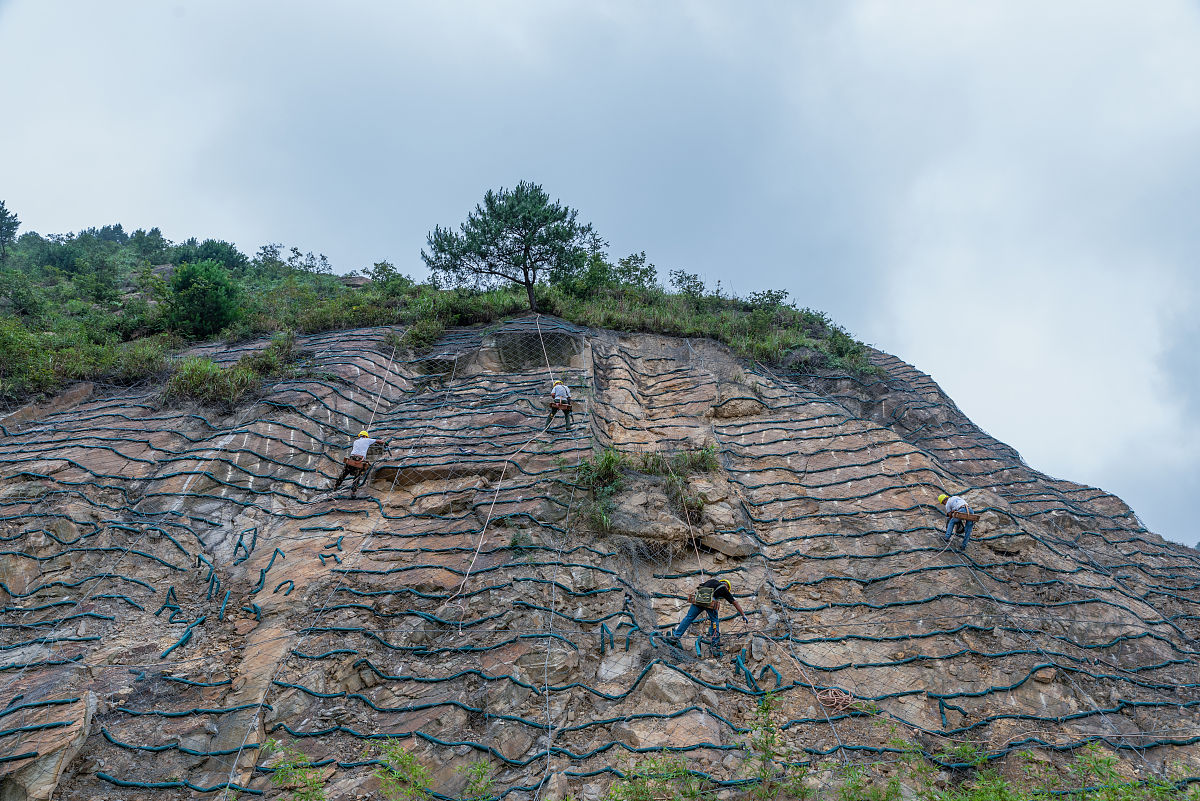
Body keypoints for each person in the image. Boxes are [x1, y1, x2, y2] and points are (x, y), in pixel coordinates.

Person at [664, 577, 748, 655]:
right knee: (714, 621)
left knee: (689, 618)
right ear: (726, 586)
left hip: (699, 600)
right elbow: (735, 602)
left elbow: (700, 586)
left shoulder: (712, 581)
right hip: (710, 603)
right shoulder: (724, 589)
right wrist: (743, 615)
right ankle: (715, 642)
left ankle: (676, 636)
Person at [333, 430, 388, 497]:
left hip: (351, 458)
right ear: (365, 436)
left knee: (344, 473)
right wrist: (385, 442)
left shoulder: (355, 441)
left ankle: (336, 486)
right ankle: (353, 492)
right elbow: (379, 441)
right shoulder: (368, 440)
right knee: (358, 476)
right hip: (359, 459)